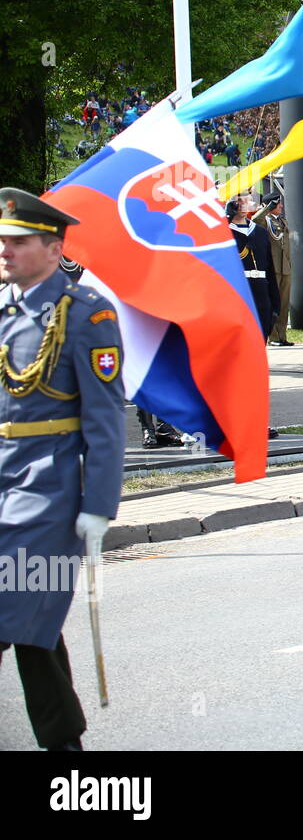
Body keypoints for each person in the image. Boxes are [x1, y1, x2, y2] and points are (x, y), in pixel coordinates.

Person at [0, 187, 125, 750]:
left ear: (53, 249)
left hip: (46, 498)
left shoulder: (86, 313)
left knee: (24, 618)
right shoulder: (4, 313)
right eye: (2, 241)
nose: (5, 251)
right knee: (33, 630)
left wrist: (98, 505)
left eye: (18, 242)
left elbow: (104, 420)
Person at [227, 194, 279, 339]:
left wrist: (275, 302)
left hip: (261, 288)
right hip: (240, 290)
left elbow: (269, 269)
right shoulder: (226, 232)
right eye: (238, 201)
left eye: (246, 200)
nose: (243, 204)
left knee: (261, 334)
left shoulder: (260, 232)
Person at [256, 192, 294, 347]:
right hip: (273, 267)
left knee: (284, 304)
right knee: (273, 303)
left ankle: (282, 335)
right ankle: (273, 336)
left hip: (285, 267)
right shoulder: (265, 220)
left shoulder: (282, 220)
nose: (281, 206)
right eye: (278, 204)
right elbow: (255, 221)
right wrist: (266, 209)